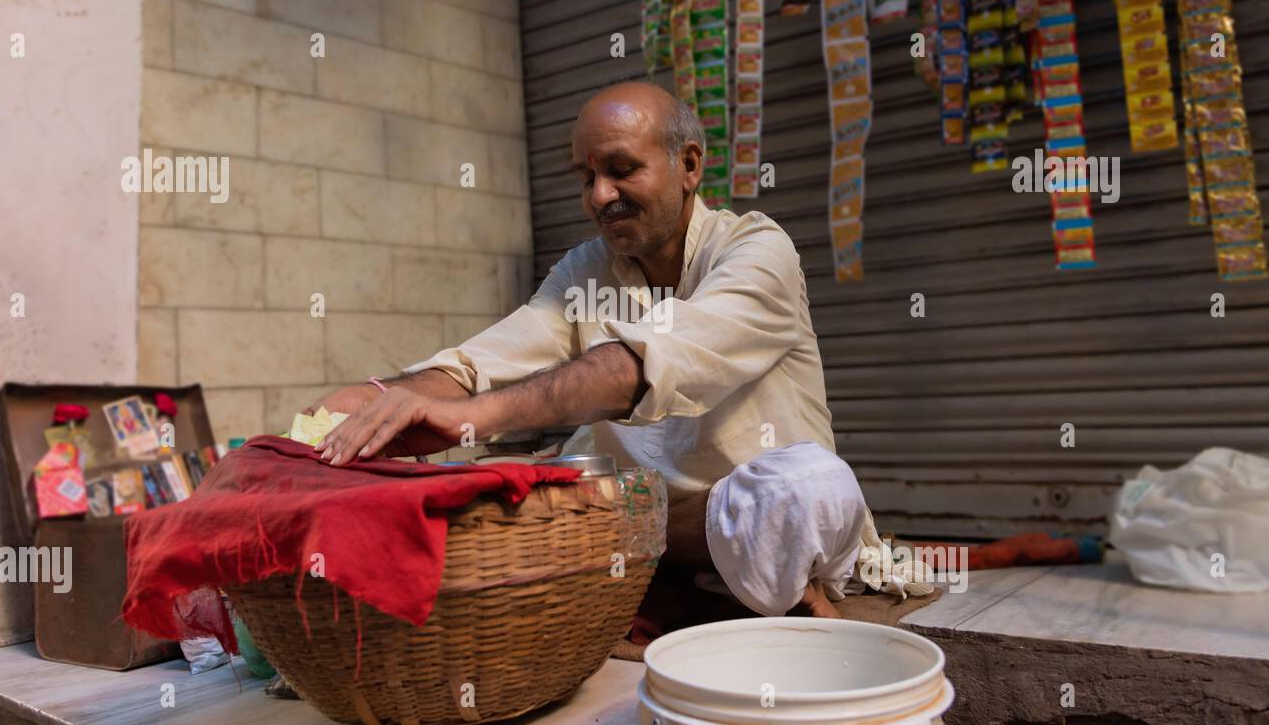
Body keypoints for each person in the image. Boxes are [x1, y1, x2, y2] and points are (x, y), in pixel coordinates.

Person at [309, 81, 925, 617]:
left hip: (735, 518)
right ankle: (666, 555)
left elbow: (637, 365)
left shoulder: (759, 250)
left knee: (806, 488)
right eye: (585, 177)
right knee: (509, 481)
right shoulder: (586, 268)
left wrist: (470, 418)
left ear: (688, 165)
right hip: (639, 517)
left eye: (621, 170)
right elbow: (485, 361)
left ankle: (682, 554)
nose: (598, 196)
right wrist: (380, 397)